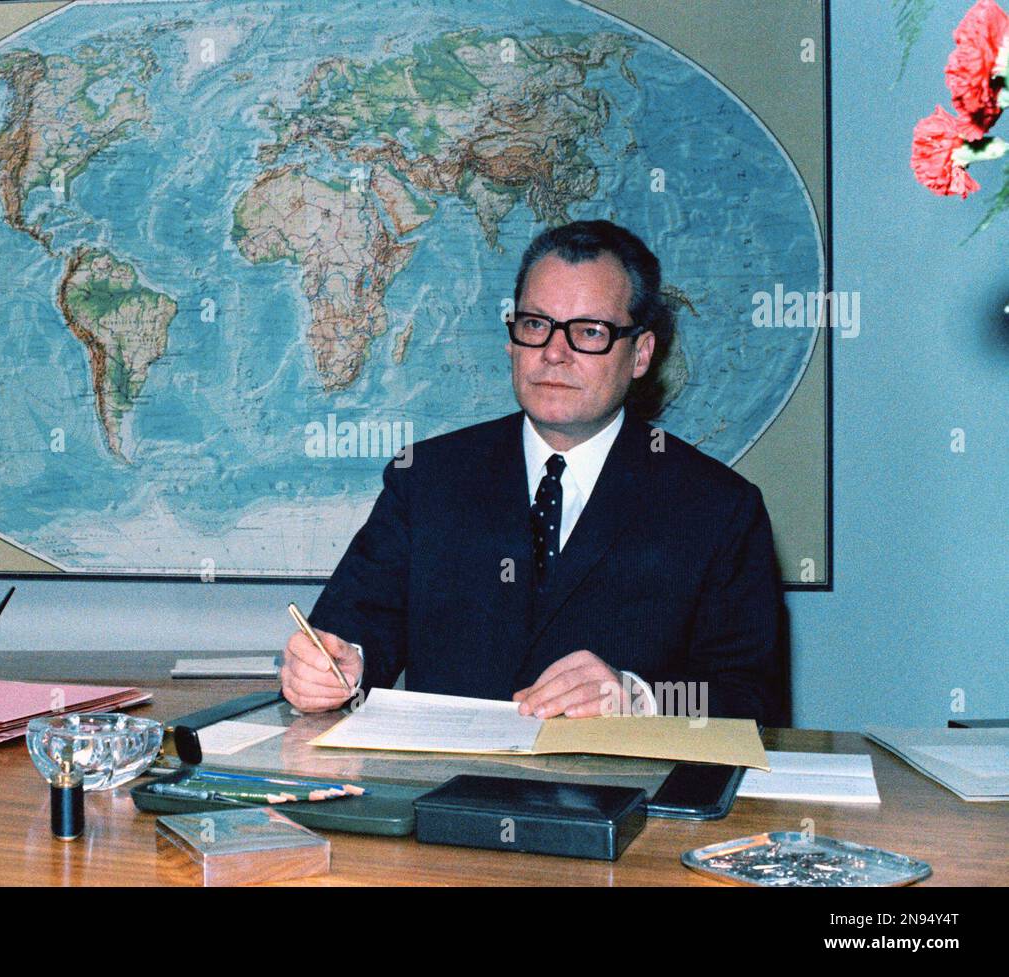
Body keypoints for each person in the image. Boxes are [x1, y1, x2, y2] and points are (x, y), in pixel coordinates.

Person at [281, 220, 786, 725]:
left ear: (641, 354)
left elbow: (753, 701)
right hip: (446, 792)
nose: (553, 352)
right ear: (512, 340)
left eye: (590, 332)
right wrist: (334, 670)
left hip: (626, 796)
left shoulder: (718, 507)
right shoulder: (427, 480)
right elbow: (347, 638)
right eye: (535, 325)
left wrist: (639, 699)